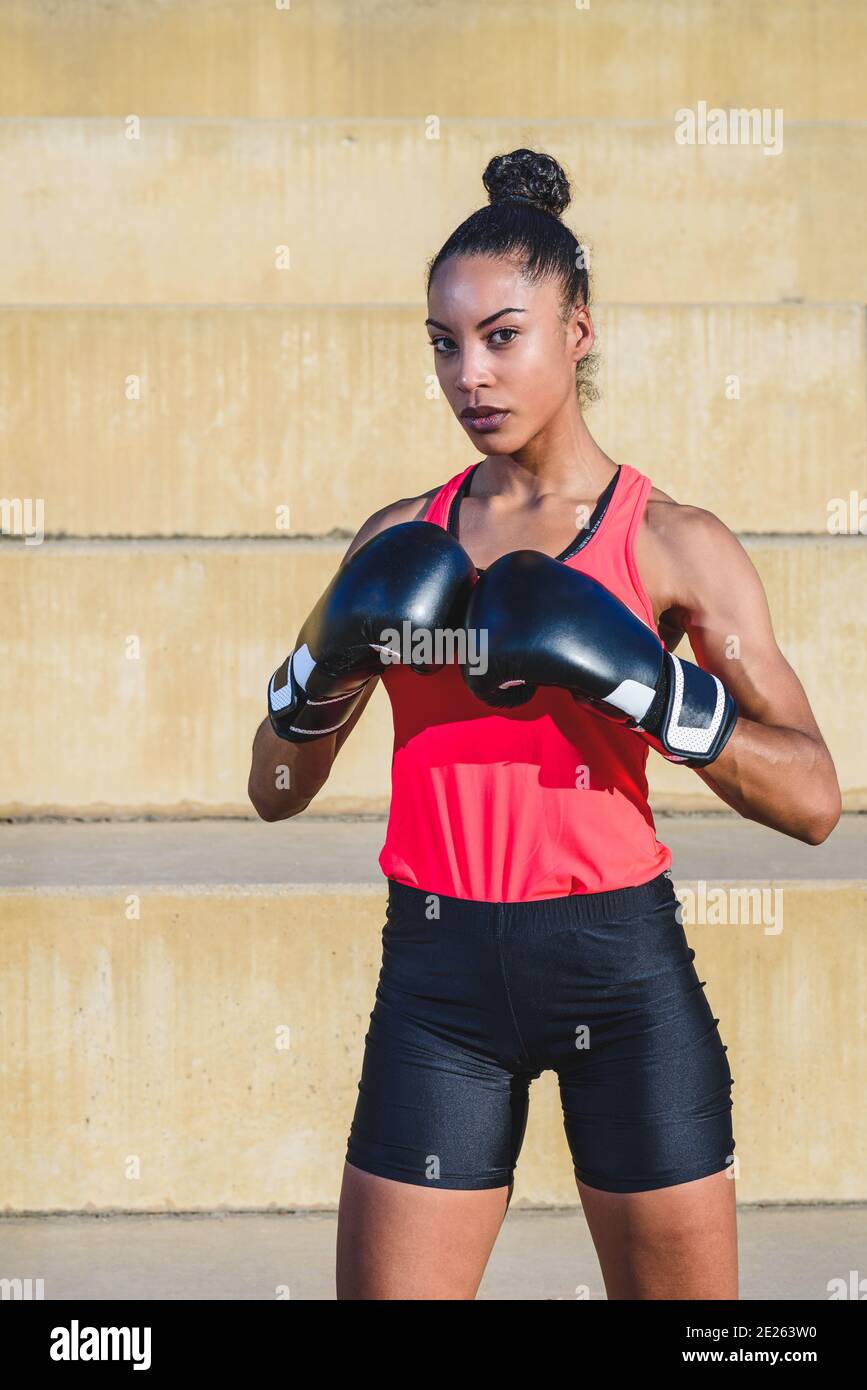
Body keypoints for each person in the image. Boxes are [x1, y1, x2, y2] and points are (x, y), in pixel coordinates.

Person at [248, 148, 841, 1300]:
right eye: (444, 342)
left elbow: (815, 800)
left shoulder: (671, 542)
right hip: (437, 979)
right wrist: (321, 664)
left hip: (620, 973)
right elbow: (273, 789)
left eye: (503, 335)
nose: (470, 373)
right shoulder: (398, 541)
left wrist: (653, 691)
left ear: (579, 331)